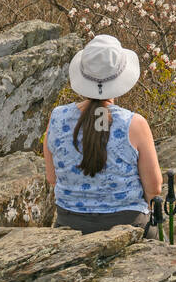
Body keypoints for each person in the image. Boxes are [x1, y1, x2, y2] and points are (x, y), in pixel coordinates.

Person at [43, 34, 163, 234]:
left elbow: (52, 177)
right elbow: (154, 189)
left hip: (69, 224)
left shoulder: (57, 117)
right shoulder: (134, 124)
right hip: (129, 225)